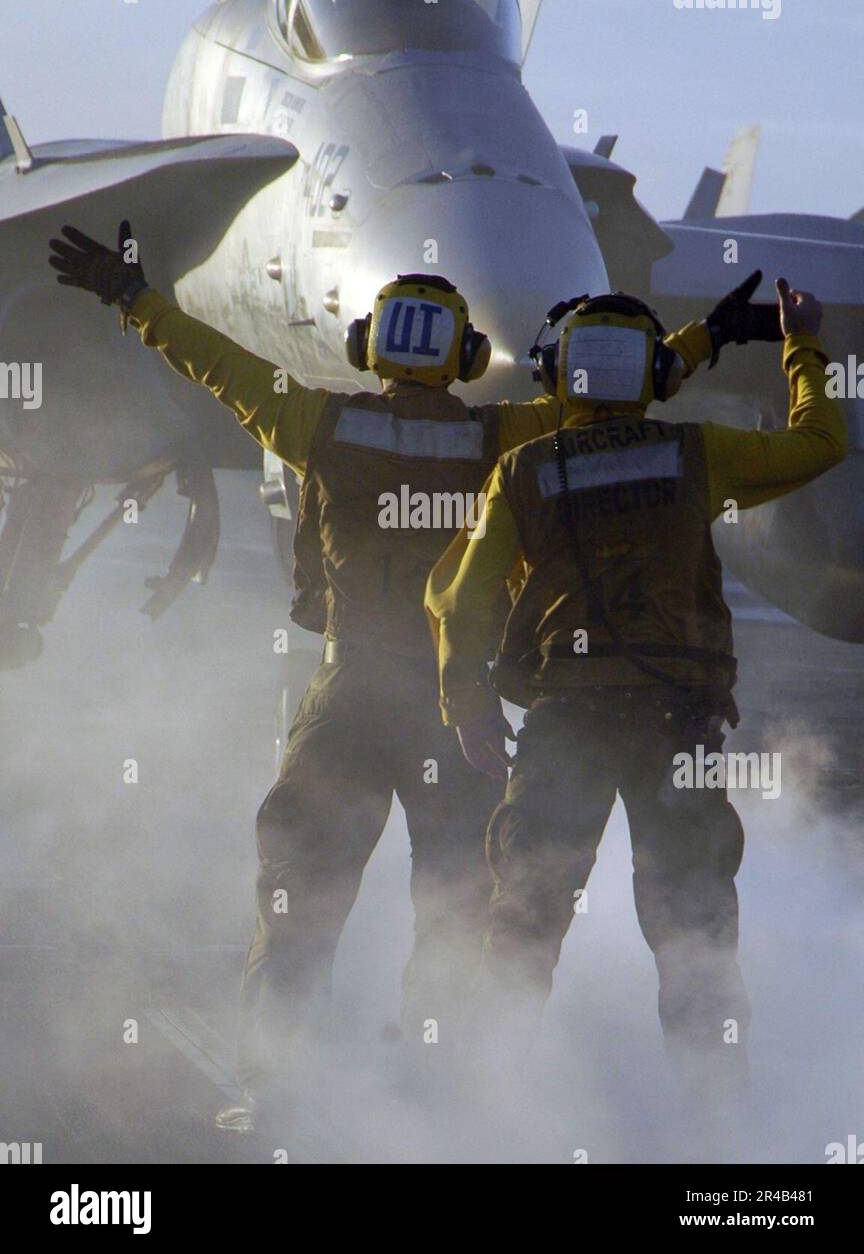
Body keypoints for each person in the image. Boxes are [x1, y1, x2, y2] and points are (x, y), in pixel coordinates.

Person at [47, 222, 603, 1129]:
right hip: (451, 704)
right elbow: (600, 408)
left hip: (349, 693)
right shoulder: (499, 435)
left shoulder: (320, 421)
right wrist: (682, 349)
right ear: (464, 357)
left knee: (299, 890)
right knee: (459, 897)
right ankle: (449, 1094)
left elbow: (215, 362)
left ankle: (273, 1089)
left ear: (365, 347)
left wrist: (132, 297)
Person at [426, 276, 847, 1100]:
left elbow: (457, 599)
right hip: (676, 727)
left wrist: (467, 707)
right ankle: (717, 1138)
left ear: (553, 376)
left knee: (523, 925)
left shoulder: (522, 469)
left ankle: (475, 1121)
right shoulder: (699, 452)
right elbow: (819, 444)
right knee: (695, 932)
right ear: (656, 376)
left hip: (562, 725)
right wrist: (801, 346)